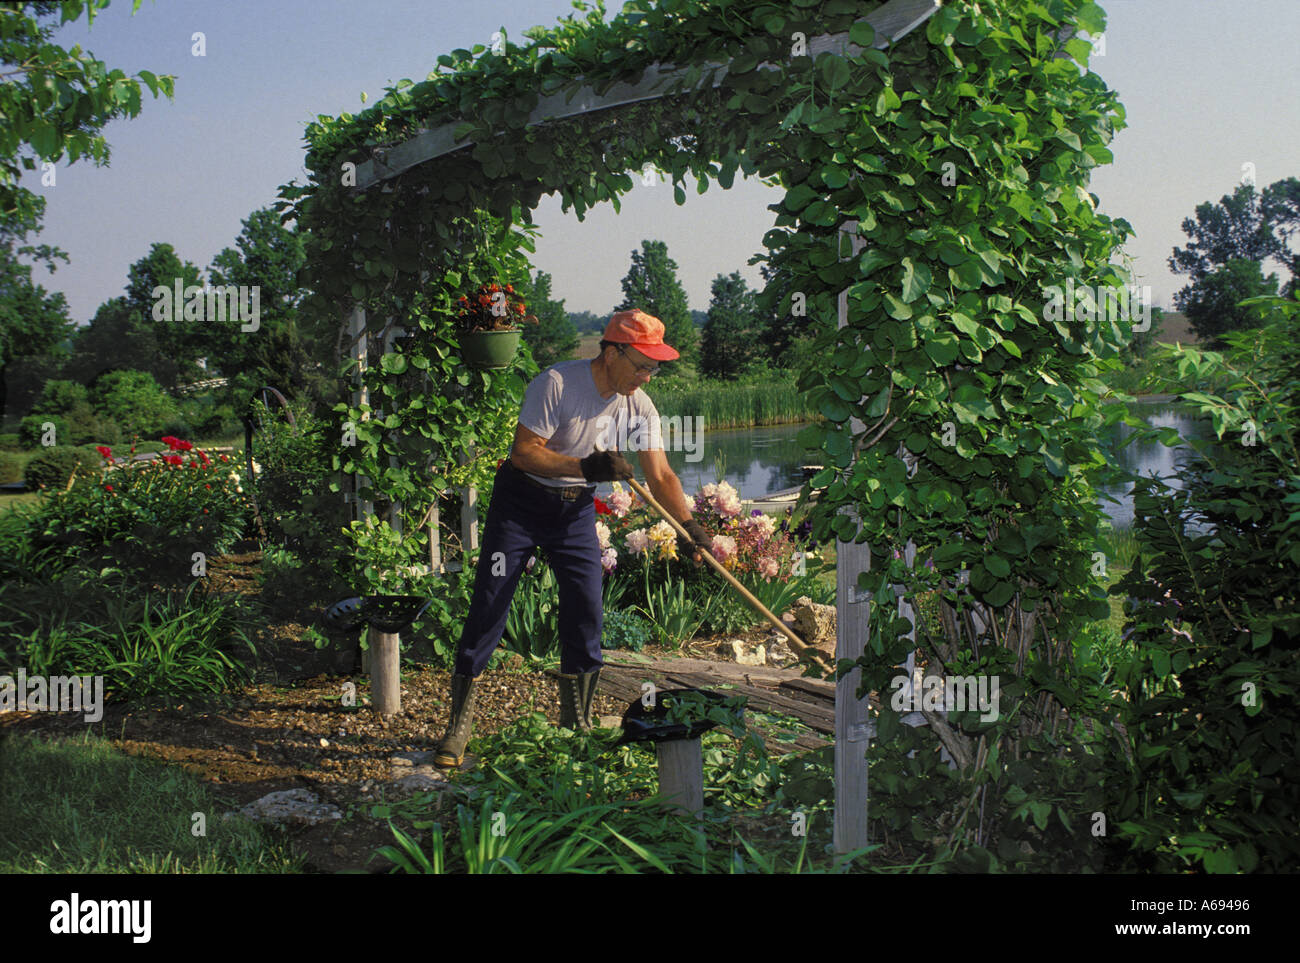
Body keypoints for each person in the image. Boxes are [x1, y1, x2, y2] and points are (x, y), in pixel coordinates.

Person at [433, 308, 713, 768]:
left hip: (574, 513)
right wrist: (584, 466)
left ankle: (576, 723)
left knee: (586, 608)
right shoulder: (557, 384)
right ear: (612, 351)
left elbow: (660, 473)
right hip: (521, 505)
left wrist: (689, 527)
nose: (646, 376)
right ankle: (457, 727)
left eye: (653, 368)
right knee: (490, 603)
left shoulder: (638, 406)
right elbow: (524, 455)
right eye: (641, 364)